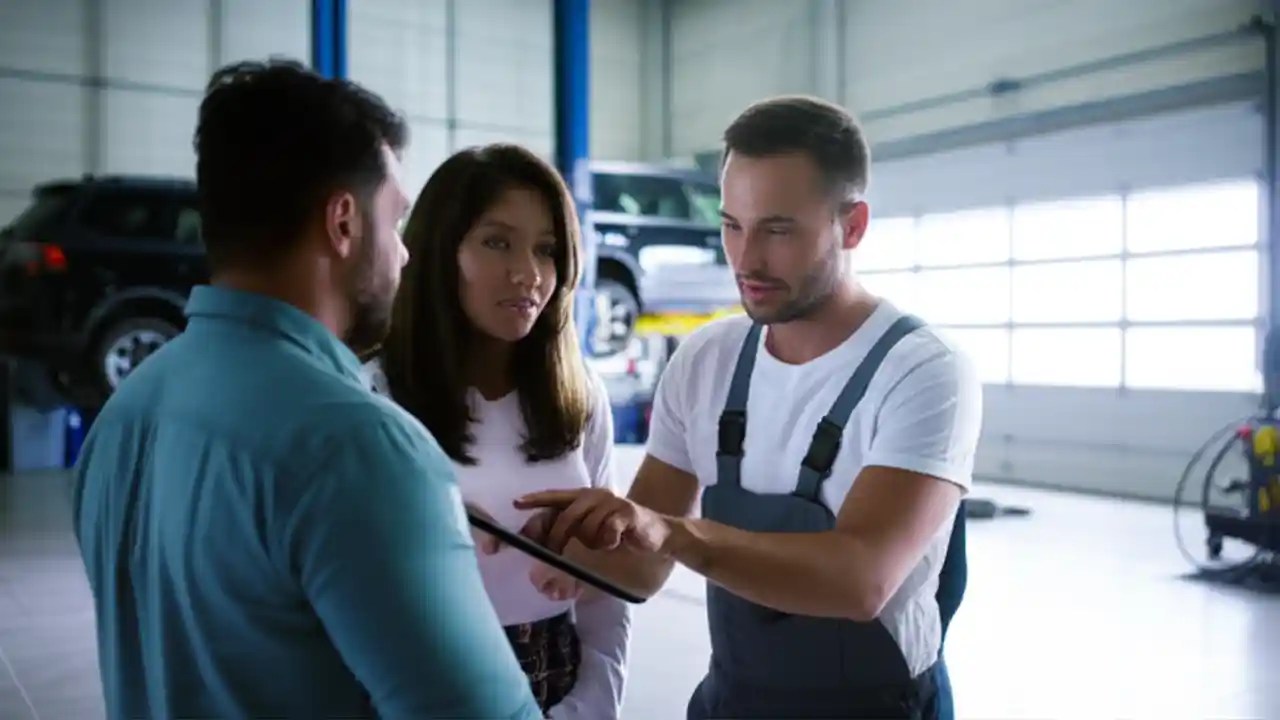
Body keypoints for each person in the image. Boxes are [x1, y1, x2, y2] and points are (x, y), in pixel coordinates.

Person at [71, 59, 542, 720]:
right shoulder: (358, 446)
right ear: (344, 222)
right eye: (395, 221)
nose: (405, 254)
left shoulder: (126, 412)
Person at [516, 95, 983, 719]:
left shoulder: (924, 371)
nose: (747, 259)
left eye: (778, 229)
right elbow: (644, 566)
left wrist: (673, 532)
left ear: (853, 226)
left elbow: (860, 579)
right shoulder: (707, 359)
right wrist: (552, 549)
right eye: (732, 225)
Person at [366, 143, 631, 719]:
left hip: (561, 690)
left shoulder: (580, 398)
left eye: (546, 249)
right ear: (440, 252)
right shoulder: (372, 400)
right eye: (497, 242)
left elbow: (604, 592)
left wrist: (590, 706)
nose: (528, 273)